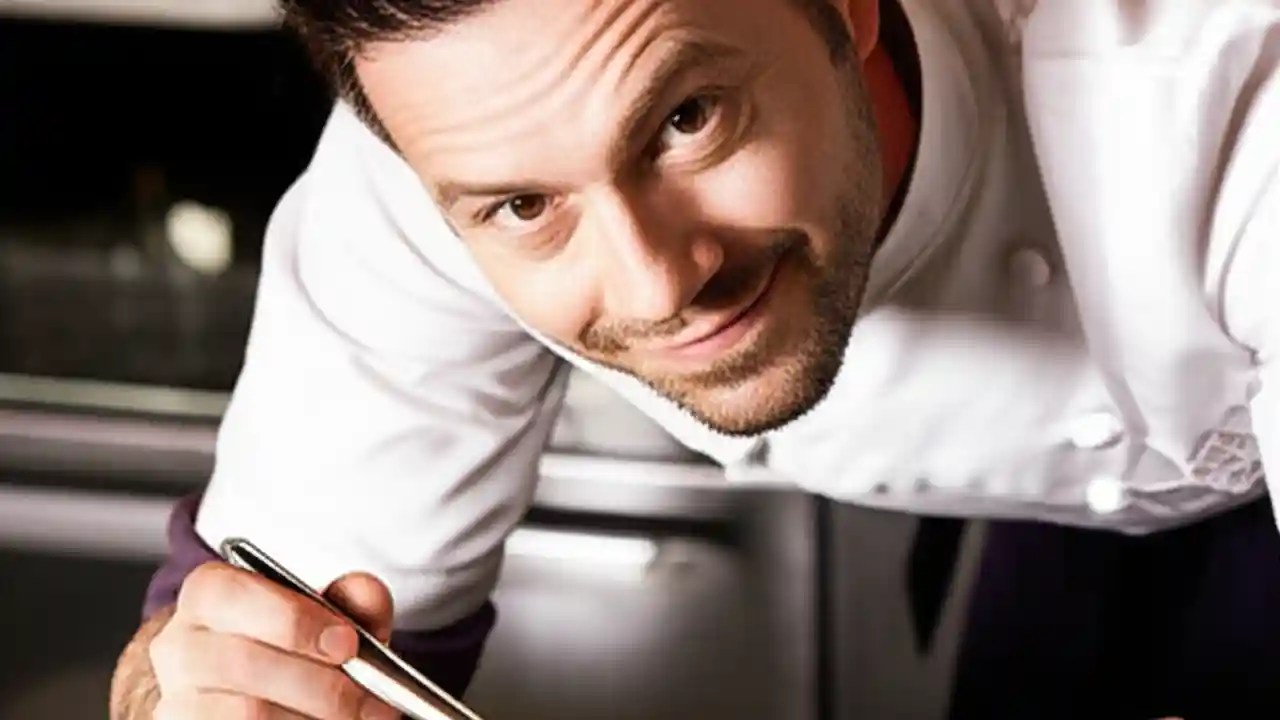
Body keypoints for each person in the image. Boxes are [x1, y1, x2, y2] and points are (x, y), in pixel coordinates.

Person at [108, 0, 1280, 717]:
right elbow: (231, 643)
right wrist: (198, 692)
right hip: (1047, 541)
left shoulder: (1223, 82)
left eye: (686, 118)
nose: (655, 284)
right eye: (523, 206)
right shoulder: (440, 150)